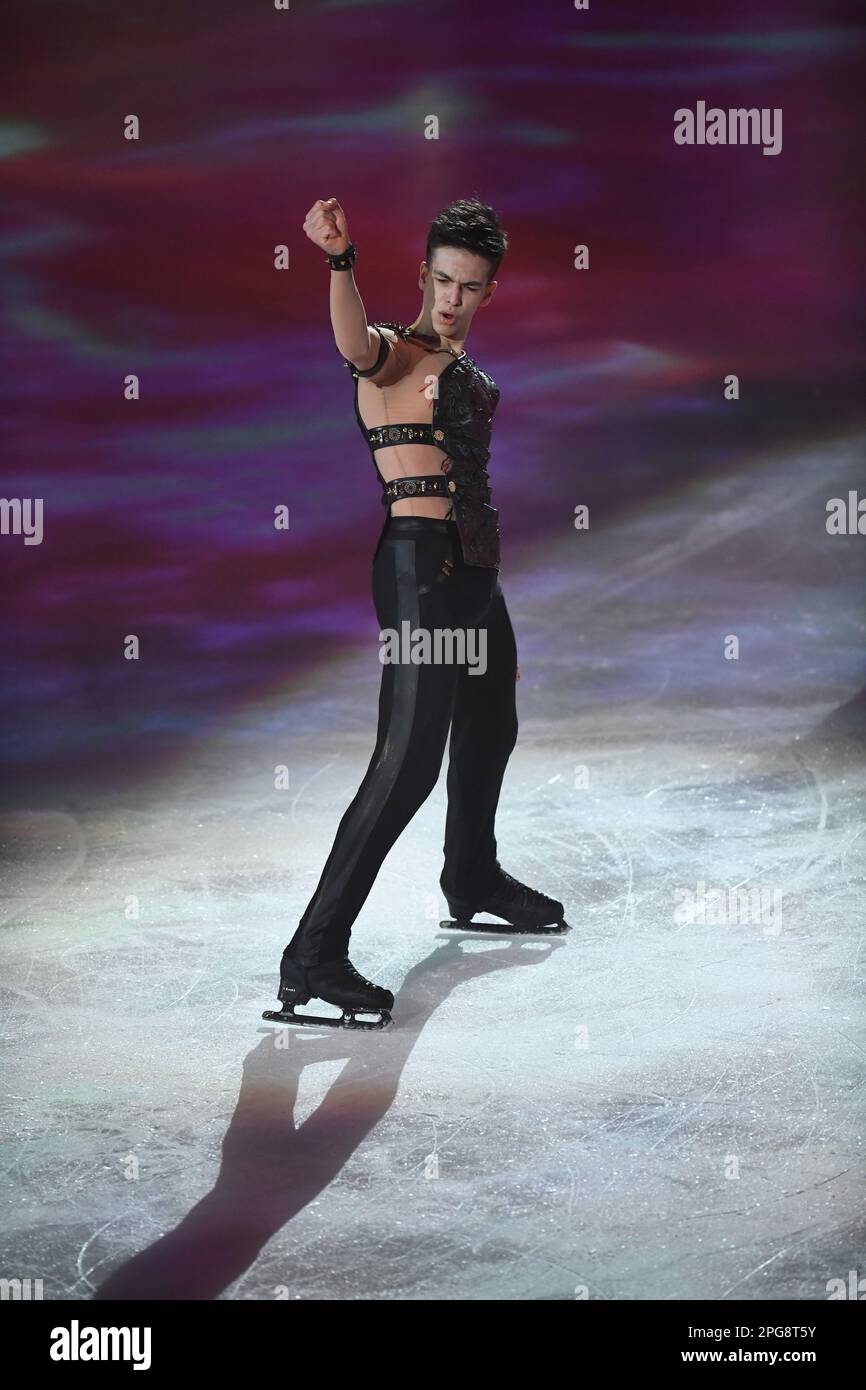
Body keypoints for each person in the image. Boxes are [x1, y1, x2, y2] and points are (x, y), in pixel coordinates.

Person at [264, 195, 568, 1032]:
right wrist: (339, 261)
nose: (452, 298)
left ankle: (471, 875)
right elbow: (352, 344)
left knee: (492, 722)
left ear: (487, 291)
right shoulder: (394, 356)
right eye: (441, 280)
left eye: (468, 286)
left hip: (473, 572)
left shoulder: (463, 367)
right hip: (420, 572)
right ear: (424, 276)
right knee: (406, 763)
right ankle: (313, 953)